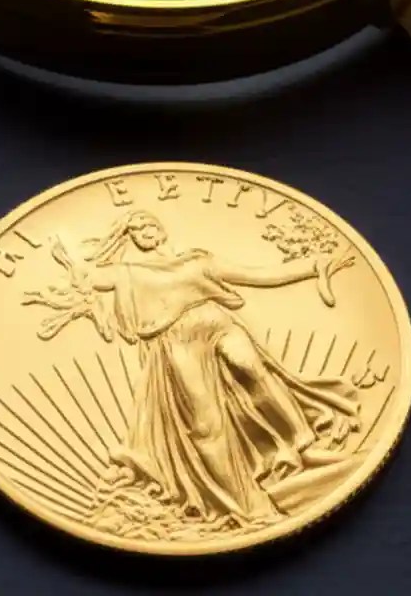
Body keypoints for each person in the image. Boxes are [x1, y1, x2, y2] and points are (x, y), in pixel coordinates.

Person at [26, 209, 362, 531]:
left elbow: (258, 275)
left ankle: (304, 445)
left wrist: (313, 265)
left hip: (218, 322)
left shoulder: (198, 260)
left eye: (149, 223)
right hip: (178, 340)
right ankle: (246, 504)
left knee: (255, 371)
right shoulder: (127, 271)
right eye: (137, 229)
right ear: (132, 239)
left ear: (161, 228)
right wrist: (67, 254)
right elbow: (88, 279)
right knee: (206, 422)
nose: (145, 230)